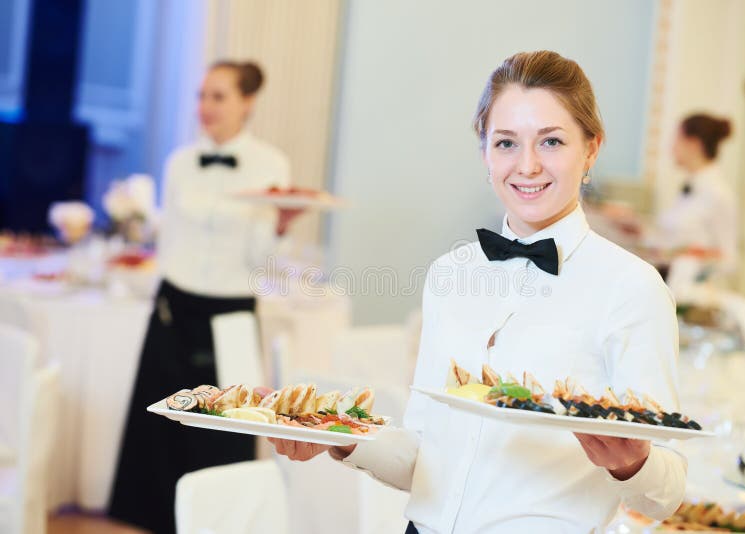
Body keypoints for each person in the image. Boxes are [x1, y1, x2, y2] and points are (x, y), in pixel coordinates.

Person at [268, 51, 686, 532]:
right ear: (485, 152)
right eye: (506, 143)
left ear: (591, 150)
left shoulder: (632, 288)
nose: (527, 165)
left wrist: (633, 464)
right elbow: (423, 456)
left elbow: (667, 494)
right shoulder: (449, 274)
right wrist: (336, 434)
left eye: (551, 141)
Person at [109, 60, 303, 534]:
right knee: (161, 427)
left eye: (219, 97)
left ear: (247, 102)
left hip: (232, 310)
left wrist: (280, 227)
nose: (205, 107)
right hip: (173, 307)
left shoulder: (271, 164)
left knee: (229, 426)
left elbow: (262, 261)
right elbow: (169, 240)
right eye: (201, 96)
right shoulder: (179, 162)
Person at [649, 113, 737, 277]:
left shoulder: (719, 195)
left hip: (691, 287)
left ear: (694, 144)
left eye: (677, 139)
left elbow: (728, 260)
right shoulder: (689, 188)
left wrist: (691, 257)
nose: (672, 148)